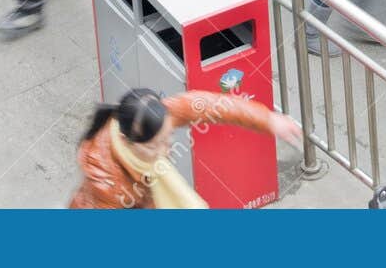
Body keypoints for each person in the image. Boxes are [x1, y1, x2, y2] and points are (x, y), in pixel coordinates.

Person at [71, 88, 302, 209]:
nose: (166, 150)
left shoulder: (153, 118)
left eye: (168, 138)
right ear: (125, 140)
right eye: (154, 146)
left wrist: (268, 119)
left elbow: (212, 106)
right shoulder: (107, 186)